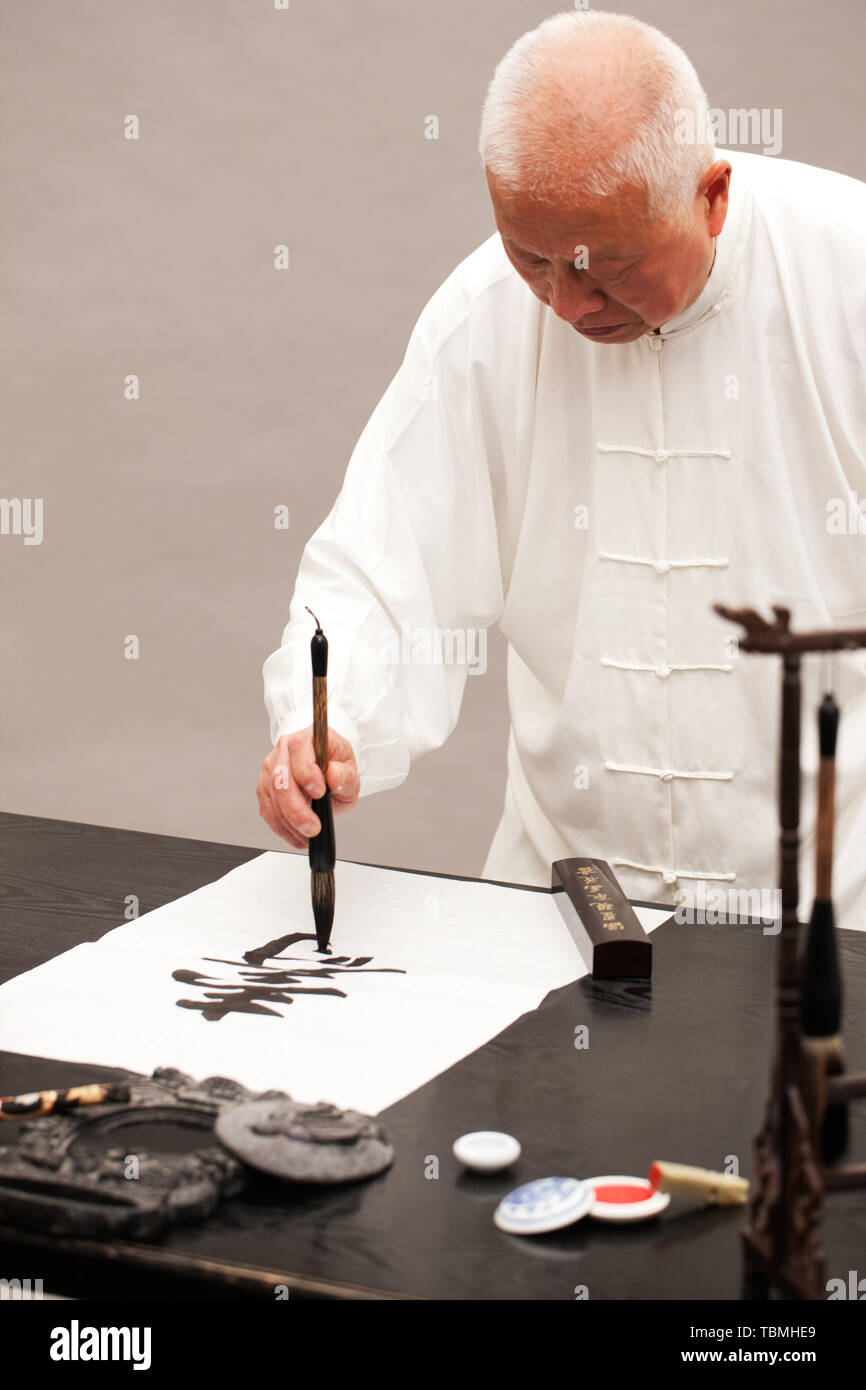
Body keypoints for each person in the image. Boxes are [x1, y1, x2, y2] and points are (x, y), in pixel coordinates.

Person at [258, 10, 866, 926]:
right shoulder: (487, 314)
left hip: (841, 914)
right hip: (562, 908)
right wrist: (332, 723)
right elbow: (385, 568)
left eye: (605, 265)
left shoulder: (848, 275)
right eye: (532, 256)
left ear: (711, 196)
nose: (568, 302)